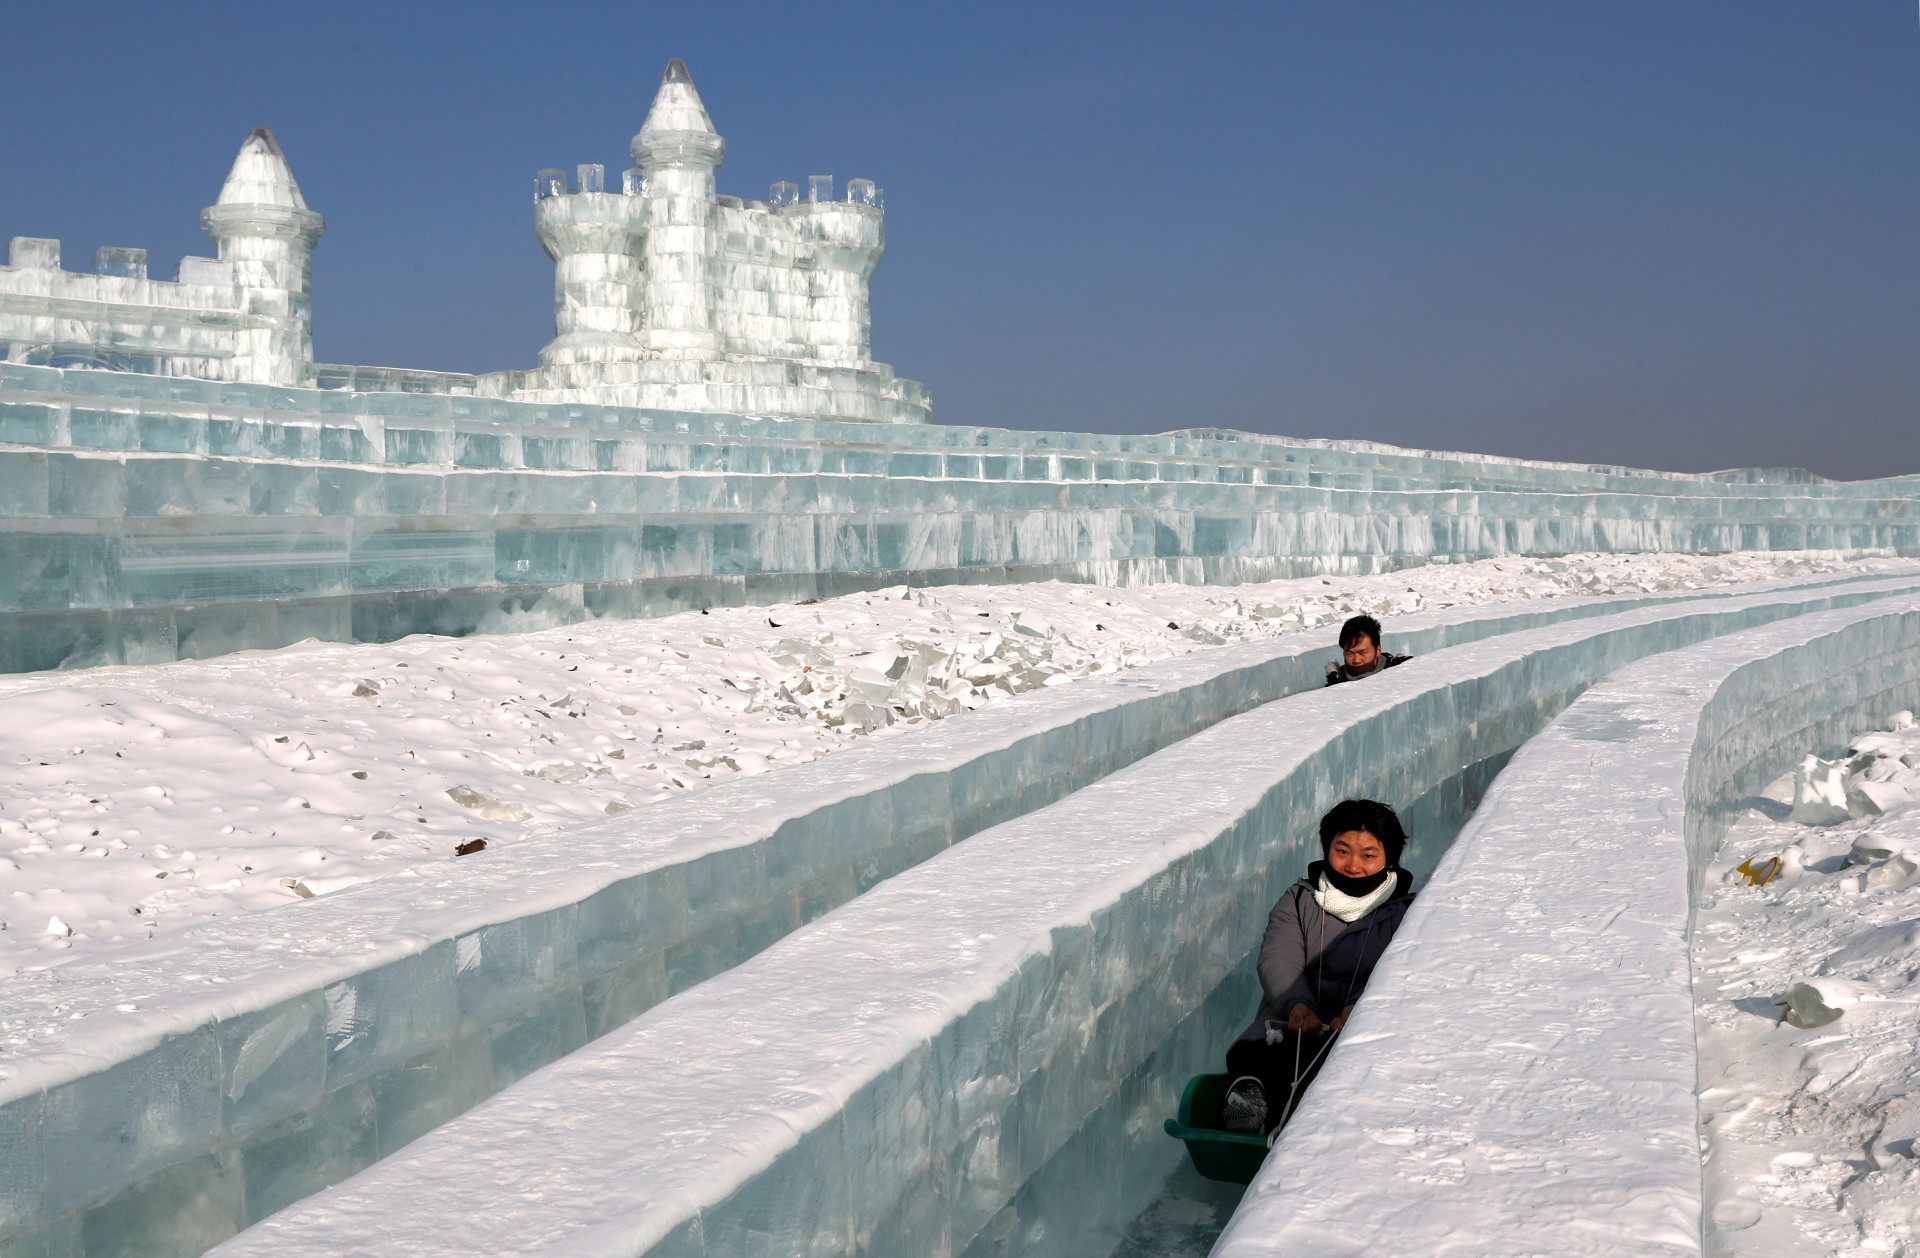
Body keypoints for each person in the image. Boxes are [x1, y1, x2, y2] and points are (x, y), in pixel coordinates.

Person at [1219, 799, 1416, 1135]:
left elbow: (1403, 970)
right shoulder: (1300, 899)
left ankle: (1314, 1118)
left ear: (1389, 860)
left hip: (1359, 1026)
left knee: (1352, 1065)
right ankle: (1250, 1107)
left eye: (1368, 856)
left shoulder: (1408, 912)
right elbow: (1279, 957)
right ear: (1327, 850)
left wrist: (1361, 1009)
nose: (1353, 865)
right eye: (1342, 851)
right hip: (1294, 1020)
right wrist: (1298, 1006)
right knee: (1258, 1054)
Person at [1324, 614, 1411, 686]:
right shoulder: (1336, 683)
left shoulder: (1400, 672)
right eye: (1350, 653)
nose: (1356, 660)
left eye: (1363, 652)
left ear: (1378, 650)